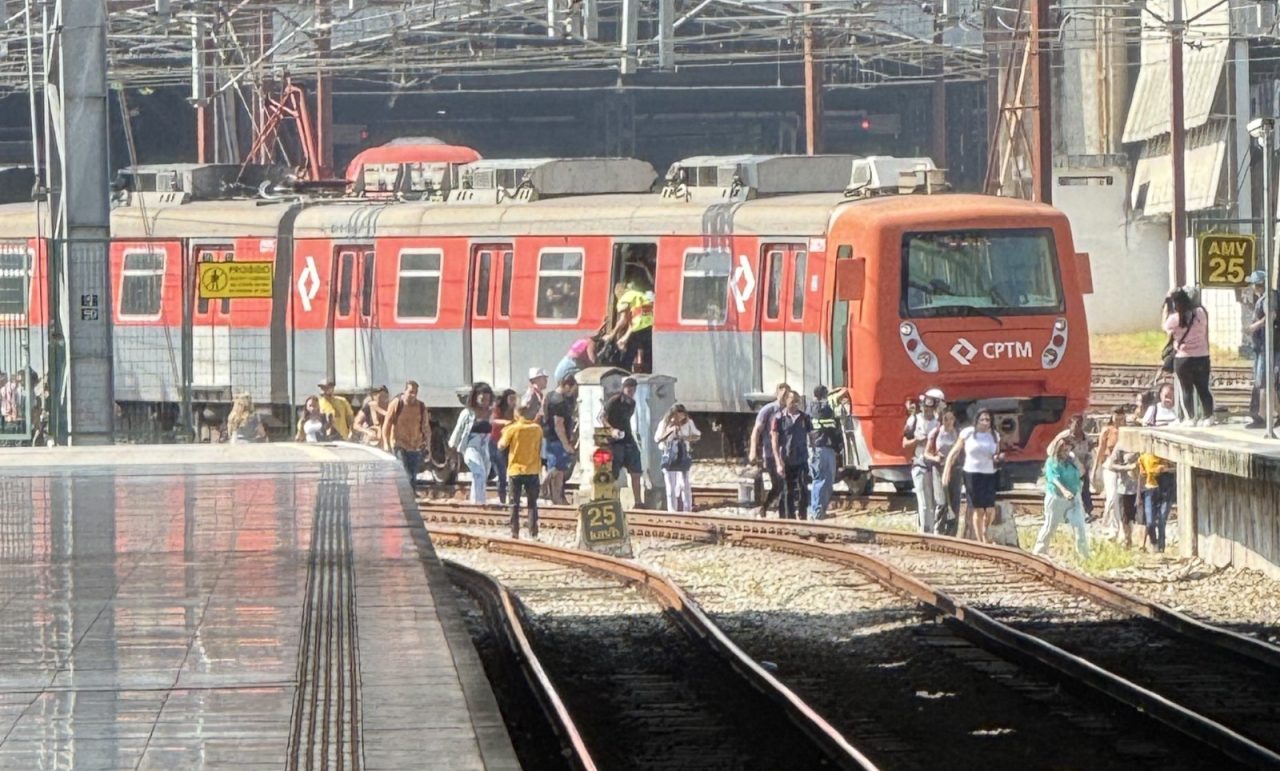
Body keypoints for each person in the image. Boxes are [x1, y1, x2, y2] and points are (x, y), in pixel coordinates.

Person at [943, 409, 1003, 544]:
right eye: (982, 419)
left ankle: (985, 530)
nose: (985, 423)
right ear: (976, 420)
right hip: (971, 473)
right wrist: (948, 468)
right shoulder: (968, 433)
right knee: (978, 509)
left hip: (989, 473)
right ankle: (981, 539)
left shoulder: (994, 435)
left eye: (988, 420)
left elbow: (996, 453)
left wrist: (998, 458)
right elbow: (955, 451)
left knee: (990, 509)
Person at [1033, 430, 1091, 559]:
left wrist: (1075, 460)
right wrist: (1064, 491)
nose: (1066, 450)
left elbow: (1081, 473)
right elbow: (1053, 478)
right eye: (1064, 448)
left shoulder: (1072, 460)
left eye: (1069, 447)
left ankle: (1084, 556)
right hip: (1057, 498)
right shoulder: (1052, 461)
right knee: (1050, 527)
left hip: (1074, 497)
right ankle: (1039, 552)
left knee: (1079, 527)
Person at [1162, 288, 1213, 425]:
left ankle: (1190, 418)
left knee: (1186, 389)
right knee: (1203, 388)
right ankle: (1208, 417)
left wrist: (1167, 305)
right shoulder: (1200, 313)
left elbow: (1164, 327)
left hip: (1183, 358)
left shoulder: (1174, 318)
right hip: (1202, 356)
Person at [498, 398, 544, 539]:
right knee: (532, 503)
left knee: (514, 503)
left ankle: (514, 532)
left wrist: (503, 432)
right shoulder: (537, 429)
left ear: (517, 414)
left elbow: (501, 445)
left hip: (515, 470)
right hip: (532, 470)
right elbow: (540, 447)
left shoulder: (512, 429)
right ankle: (533, 532)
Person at [749, 383, 791, 518]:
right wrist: (753, 450)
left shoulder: (789, 411)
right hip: (771, 453)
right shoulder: (768, 410)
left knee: (785, 485)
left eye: (787, 394)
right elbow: (757, 430)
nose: (785, 397)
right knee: (779, 484)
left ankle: (777, 511)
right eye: (783, 394)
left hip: (787, 453)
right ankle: (770, 509)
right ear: (778, 393)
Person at [770, 391, 813, 519]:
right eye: (791, 402)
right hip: (786, 459)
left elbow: (811, 437)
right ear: (786, 402)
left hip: (801, 458)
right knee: (786, 491)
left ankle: (802, 515)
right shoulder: (779, 418)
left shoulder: (804, 418)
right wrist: (778, 462)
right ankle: (788, 518)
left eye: (796, 402)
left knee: (803, 488)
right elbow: (775, 440)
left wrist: (813, 454)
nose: (794, 405)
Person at [450, 382, 495, 505]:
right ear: (475, 397)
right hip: (471, 446)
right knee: (478, 470)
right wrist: (453, 451)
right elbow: (458, 431)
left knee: (483, 475)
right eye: (482, 399)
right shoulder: (468, 413)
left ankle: (478, 500)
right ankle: (478, 502)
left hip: (486, 446)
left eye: (487, 399)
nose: (485, 402)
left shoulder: (492, 413)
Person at [903, 391, 940, 533]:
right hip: (919, 463)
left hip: (935, 466)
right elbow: (905, 442)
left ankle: (933, 530)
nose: (927, 410)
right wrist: (917, 441)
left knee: (935, 501)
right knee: (924, 502)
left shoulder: (938, 422)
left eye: (930, 408)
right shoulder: (914, 420)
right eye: (925, 407)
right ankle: (925, 532)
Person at [1245, 270, 1278, 428]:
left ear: (1258, 284)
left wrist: (1253, 327)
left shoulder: (1268, 299)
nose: (1251, 286)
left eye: (1253, 283)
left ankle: (1262, 416)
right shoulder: (1267, 298)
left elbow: (1271, 316)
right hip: (1265, 346)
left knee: (1264, 381)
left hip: (1267, 347)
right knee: (1267, 381)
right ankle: (1267, 414)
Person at [604, 377, 645, 505]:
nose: (631, 391)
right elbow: (602, 417)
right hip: (615, 441)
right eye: (629, 388)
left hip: (627, 438)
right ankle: (614, 500)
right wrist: (612, 430)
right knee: (614, 472)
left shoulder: (632, 403)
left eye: (633, 389)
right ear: (623, 388)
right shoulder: (614, 401)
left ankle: (638, 501)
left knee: (636, 470)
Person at [655, 403, 701, 513]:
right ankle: (672, 511)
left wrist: (685, 437)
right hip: (668, 456)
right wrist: (670, 431)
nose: (680, 419)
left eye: (682, 416)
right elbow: (657, 439)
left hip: (683, 455)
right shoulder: (664, 423)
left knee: (684, 484)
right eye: (677, 416)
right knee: (670, 486)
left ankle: (687, 509)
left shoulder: (688, 423)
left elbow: (697, 435)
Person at [382, 380, 430, 482]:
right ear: (405, 391)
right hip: (400, 444)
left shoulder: (421, 406)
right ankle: (404, 496)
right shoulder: (397, 403)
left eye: (415, 393)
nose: (413, 395)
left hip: (415, 446)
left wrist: (428, 446)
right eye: (410, 392)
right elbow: (387, 424)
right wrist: (386, 443)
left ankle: (410, 496)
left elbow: (426, 427)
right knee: (405, 474)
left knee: (413, 476)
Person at [542, 374, 578, 505]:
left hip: (549, 436)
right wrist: (566, 443)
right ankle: (548, 487)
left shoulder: (550, 395)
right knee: (558, 468)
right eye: (573, 388)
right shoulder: (559, 401)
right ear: (567, 385)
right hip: (558, 439)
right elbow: (558, 424)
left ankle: (557, 497)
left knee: (558, 469)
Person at [925, 406, 962, 536]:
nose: (948, 422)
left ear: (954, 419)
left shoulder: (958, 433)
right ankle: (939, 530)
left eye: (951, 419)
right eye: (946, 419)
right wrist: (935, 458)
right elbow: (926, 453)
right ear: (942, 419)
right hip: (939, 469)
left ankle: (952, 533)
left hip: (955, 469)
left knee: (955, 500)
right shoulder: (935, 433)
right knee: (941, 501)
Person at [808, 385, 842, 520]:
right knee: (820, 480)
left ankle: (820, 510)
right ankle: (816, 511)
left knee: (827, 481)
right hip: (819, 448)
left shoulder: (820, 409)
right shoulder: (818, 409)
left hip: (826, 449)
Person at [1092, 407, 1126, 536]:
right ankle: (1109, 526)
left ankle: (1118, 528)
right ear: (1112, 417)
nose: (1119, 422)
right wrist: (1095, 468)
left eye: (1121, 419)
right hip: (1109, 465)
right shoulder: (1107, 431)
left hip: (1123, 467)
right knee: (1112, 497)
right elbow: (1101, 449)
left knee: (1120, 497)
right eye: (1116, 419)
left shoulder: (1125, 431)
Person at [1104, 446, 1141, 549]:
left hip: (1140, 487)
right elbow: (1111, 466)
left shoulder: (1142, 442)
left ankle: (1134, 540)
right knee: (1124, 516)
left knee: (1135, 517)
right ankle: (1127, 539)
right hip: (1124, 487)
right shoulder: (1121, 446)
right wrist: (1127, 468)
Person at [1138, 451, 1175, 553]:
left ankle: (1161, 546)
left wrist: (1164, 470)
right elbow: (1141, 474)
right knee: (1150, 522)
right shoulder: (1143, 457)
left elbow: (1176, 468)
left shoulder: (1165, 455)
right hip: (1150, 490)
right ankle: (1154, 542)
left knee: (1162, 519)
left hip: (1165, 489)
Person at [490, 389, 518, 504]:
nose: (513, 401)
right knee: (501, 471)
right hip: (497, 442)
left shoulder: (514, 410)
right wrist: (505, 422)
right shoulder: (498, 408)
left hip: (509, 443)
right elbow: (493, 420)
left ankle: (512, 496)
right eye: (511, 399)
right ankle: (502, 497)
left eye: (514, 399)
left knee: (511, 470)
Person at [1066, 414, 1094, 515]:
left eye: (1079, 425)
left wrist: (1087, 463)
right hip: (1069, 468)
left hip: (1083, 466)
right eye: (1075, 425)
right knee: (1071, 490)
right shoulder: (1066, 437)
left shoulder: (1086, 437)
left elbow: (1090, 449)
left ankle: (1087, 510)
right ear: (1070, 424)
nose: (1077, 428)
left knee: (1085, 489)